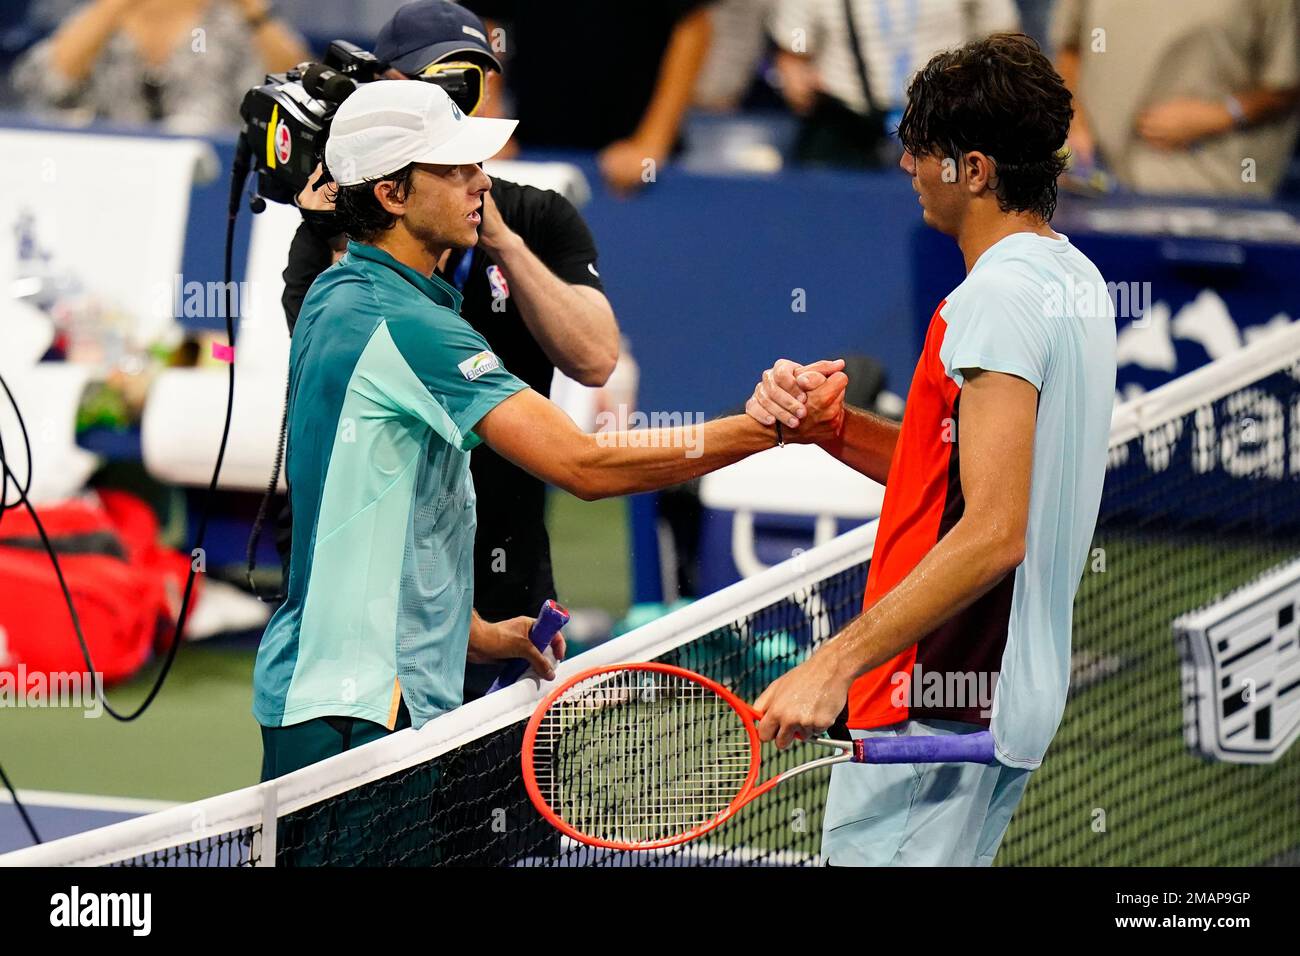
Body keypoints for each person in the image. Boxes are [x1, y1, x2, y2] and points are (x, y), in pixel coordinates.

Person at [255, 79, 846, 782]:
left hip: (337, 692)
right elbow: (585, 465)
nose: (483, 181)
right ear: (392, 194)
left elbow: (365, 514)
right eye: (455, 168)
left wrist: (464, 633)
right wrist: (765, 429)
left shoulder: (338, 291)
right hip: (358, 715)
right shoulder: (411, 327)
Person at [746, 34, 1116, 866]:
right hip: (1003, 696)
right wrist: (833, 429)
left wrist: (835, 662)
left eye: (924, 150)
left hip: (939, 703)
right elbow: (969, 475)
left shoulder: (994, 302)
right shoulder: (1073, 280)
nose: (908, 164)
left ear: (976, 170)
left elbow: (993, 530)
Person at [281, 0, 619, 702]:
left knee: (508, 804)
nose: (456, 104)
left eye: (471, 87)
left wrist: (497, 237)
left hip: (509, 579)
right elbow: (356, 372)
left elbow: (594, 358)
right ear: (380, 86)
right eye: (436, 84)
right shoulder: (329, 242)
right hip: (369, 607)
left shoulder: (530, 213)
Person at [461, 1, 716, 192]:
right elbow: (485, 21)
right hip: (533, 150)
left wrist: (651, 143)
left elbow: (693, 26)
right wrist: (491, 122)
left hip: (635, 155)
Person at [1053, 0, 1300, 197]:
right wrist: (1075, 122)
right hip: (1095, 186)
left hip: (1213, 191)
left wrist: (1225, 113)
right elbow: (1070, 46)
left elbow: (1287, 83)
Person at [770, 0, 1019, 168]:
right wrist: (798, 60)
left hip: (945, 121)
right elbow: (796, 35)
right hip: (847, 122)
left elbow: (1000, 35)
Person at [11, 0, 310, 133]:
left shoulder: (231, 22)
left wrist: (251, 8)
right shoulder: (101, 20)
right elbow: (50, 79)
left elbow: (298, 84)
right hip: (108, 173)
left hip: (211, 180)